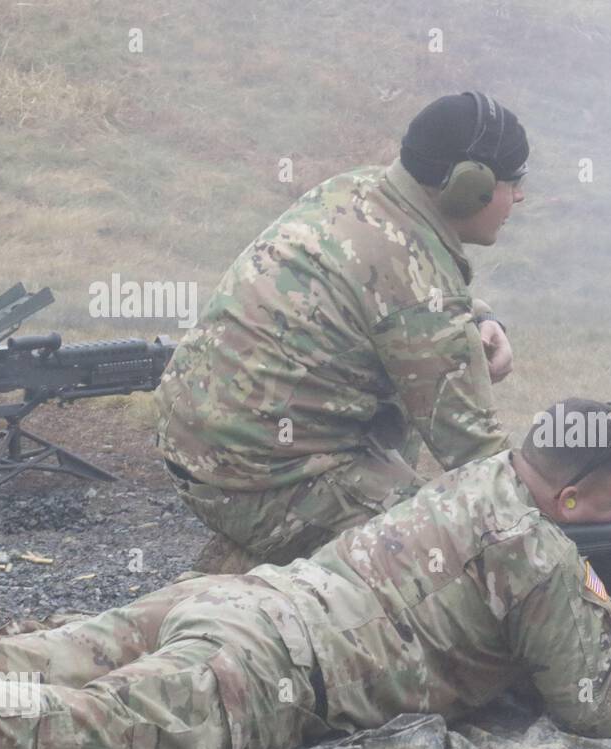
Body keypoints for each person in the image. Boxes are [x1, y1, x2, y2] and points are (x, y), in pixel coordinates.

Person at [0, 400, 611, 749]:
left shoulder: (484, 480)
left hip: (233, 600)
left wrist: (610, 540)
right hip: (265, 674)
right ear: (571, 500)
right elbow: (595, 704)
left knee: (18, 661)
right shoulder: (538, 556)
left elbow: (539, 563)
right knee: (75, 724)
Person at [154, 92, 528, 572]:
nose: (519, 196)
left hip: (200, 450)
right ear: (468, 185)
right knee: (455, 558)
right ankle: (275, 589)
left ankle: (270, 562)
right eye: (512, 181)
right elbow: (479, 462)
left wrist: (479, 317)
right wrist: (574, 529)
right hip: (258, 485)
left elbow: (391, 292)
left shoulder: (357, 190)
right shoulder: (413, 283)